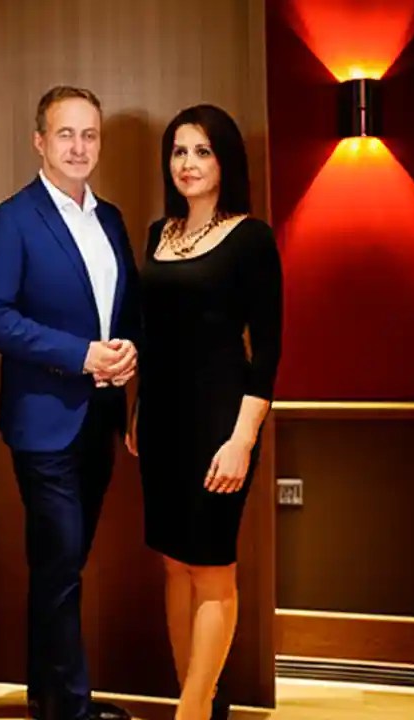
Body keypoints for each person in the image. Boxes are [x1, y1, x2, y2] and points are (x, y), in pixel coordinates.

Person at [0, 85, 139, 720]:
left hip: (98, 418)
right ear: (40, 141)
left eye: (89, 135)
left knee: (61, 565)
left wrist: (127, 353)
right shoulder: (10, 220)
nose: (79, 146)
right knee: (61, 565)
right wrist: (81, 354)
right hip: (43, 422)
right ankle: (70, 709)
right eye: (65, 134)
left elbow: (124, 309)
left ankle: (49, 699)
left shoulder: (112, 219)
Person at [125, 104, 283, 720]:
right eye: (179, 151)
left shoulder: (251, 237)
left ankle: (190, 713)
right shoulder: (156, 234)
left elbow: (266, 348)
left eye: (202, 152)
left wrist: (243, 439)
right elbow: (151, 335)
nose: (187, 164)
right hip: (161, 419)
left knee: (212, 565)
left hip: (221, 421)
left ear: (225, 163)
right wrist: (136, 410)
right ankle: (199, 701)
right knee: (173, 562)